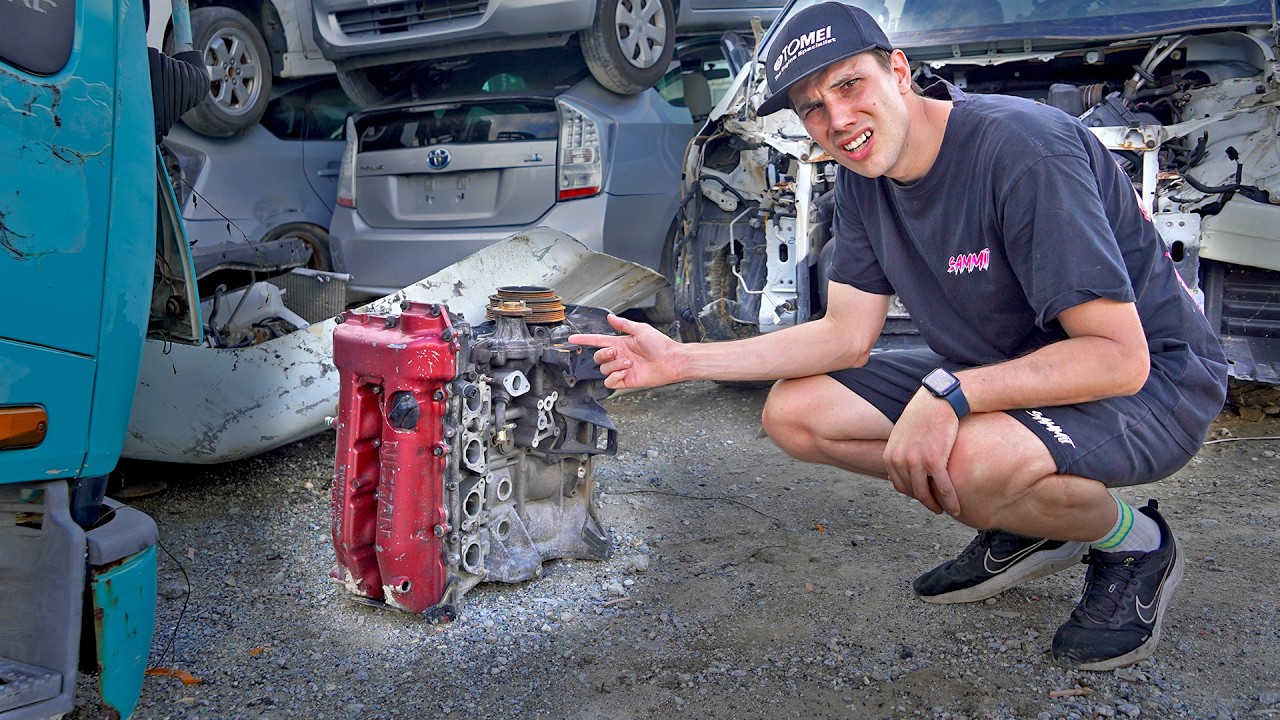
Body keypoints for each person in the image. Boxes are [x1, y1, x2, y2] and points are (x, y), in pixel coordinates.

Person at [568, 1, 1227, 671]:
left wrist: (949, 394)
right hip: (1019, 369)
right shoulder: (864, 180)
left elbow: (1119, 358)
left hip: (1154, 385)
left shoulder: (1023, 152)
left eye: (849, 85)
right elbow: (846, 336)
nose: (837, 121)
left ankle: (1135, 541)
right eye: (812, 108)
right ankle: (1032, 519)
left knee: (969, 461)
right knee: (796, 415)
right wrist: (682, 359)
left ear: (899, 70)